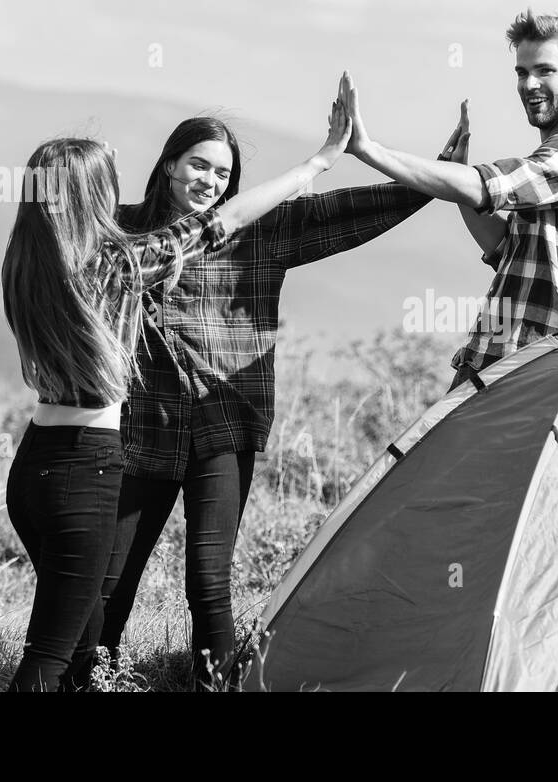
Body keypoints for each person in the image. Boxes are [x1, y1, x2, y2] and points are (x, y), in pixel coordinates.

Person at [91, 80, 440, 690]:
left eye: (223, 175)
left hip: (223, 425)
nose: (210, 181)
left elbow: (352, 212)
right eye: (198, 165)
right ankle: (91, 679)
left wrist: (438, 177)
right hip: (145, 427)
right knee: (112, 578)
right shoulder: (124, 232)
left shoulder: (263, 230)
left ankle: (219, 685)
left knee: (207, 576)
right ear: (169, 164)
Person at [0, 96, 352, 692]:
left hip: (32, 464)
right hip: (86, 469)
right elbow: (224, 223)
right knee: (51, 657)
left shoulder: (24, 263)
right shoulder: (120, 262)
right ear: (89, 199)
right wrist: (317, 162)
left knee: (75, 630)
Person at [340, 9, 558, 390]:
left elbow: (488, 186)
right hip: (501, 364)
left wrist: (370, 151)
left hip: (535, 375)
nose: (530, 83)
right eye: (522, 72)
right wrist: (460, 178)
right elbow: (505, 250)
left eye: (545, 70)